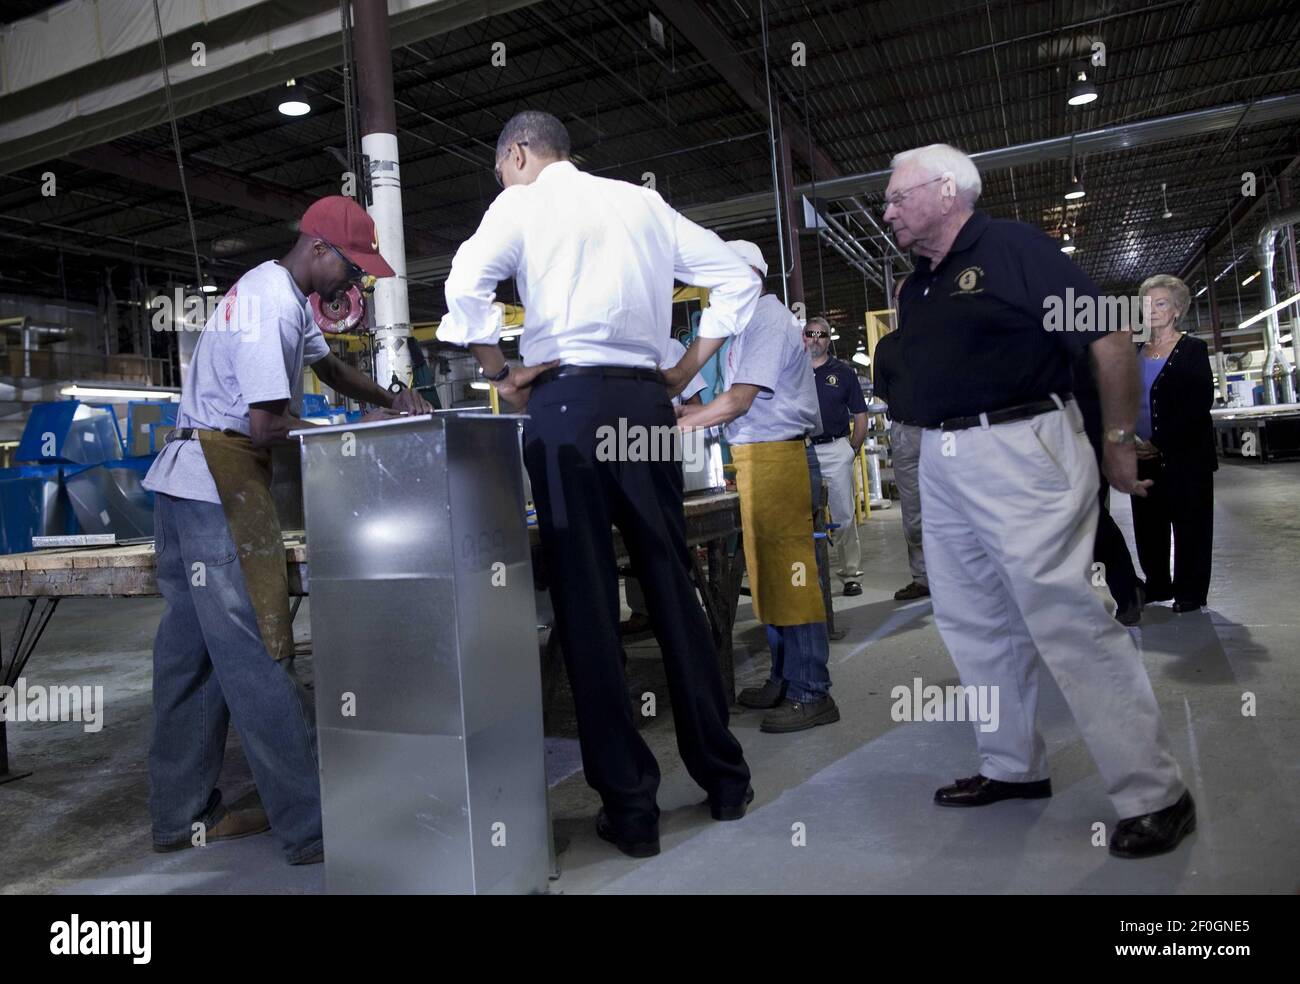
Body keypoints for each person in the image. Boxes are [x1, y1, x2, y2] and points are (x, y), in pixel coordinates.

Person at [438, 111, 758, 858]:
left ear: (516, 152)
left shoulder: (521, 202)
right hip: (645, 404)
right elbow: (736, 277)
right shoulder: (642, 202)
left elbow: (464, 285)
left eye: (499, 168)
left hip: (568, 403)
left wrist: (498, 373)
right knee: (671, 583)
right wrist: (684, 368)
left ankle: (633, 810)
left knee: (586, 601)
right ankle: (726, 780)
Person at [883, 143, 1194, 858]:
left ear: (948, 191)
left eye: (899, 197)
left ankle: (1157, 793)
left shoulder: (1013, 247)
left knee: (1066, 618)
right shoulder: (919, 282)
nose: (888, 211)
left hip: (1023, 446)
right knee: (971, 620)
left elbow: (1111, 336)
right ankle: (1013, 766)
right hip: (943, 454)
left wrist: (1117, 437)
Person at [141, 196, 431, 864]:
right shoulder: (270, 304)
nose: (353, 284)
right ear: (319, 249)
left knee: (191, 659)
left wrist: (390, 397)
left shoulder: (285, 297)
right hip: (219, 488)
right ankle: (314, 825)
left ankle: (182, 815)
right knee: (260, 651)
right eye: (351, 268)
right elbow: (263, 427)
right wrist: (355, 434)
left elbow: (328, 370)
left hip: (184, 487)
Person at [677, 241, 839, 734]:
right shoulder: (741, 328)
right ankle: (785, 678)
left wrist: (682, 423)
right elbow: (725, 401)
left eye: (722, 280)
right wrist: (685, 410)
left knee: (791, 576)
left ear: (750, 276)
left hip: (781, 456)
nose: (713, 292)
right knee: (769, 577)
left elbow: (740, 401)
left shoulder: (768, 321)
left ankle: (813, 691)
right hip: (756, 458)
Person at [1131, 274, 1217, 613]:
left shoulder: (1192, 349)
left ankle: (1190, 592)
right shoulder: (1134, 351)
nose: (1152, 310)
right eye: (1147, 303)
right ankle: (1157, 585)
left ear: (1177, 310)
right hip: (1140, 456)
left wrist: (1160, 441)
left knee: (1191, 524)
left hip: (1185, 456)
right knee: (1148, 526)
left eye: (1161, 303)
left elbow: (1200, 401)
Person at [622, 333, 708, 635]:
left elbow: (696, 402)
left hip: (670, 447)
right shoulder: (619, 346)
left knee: (669, 531)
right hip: (627, 446)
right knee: (632, 528)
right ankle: (642, 609)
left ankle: (681, 608)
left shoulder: (672, 347)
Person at [1073, 351, 1146, 625]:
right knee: (1087, 516)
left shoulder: (1078, 331)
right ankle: (1127, 589)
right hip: (1071, 427)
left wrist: (1119, 439)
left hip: (1084, 429)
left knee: (1088, 513)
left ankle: (1126, 590)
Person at [872, 277, 929, 601]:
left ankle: (961, 577)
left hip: (942, 431)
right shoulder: (887, 346)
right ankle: (923, 578)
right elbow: (885, 393)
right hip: (906, 433)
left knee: (955, 506)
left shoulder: (940, 339)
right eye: (898, 296)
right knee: (914, 514)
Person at [804, 316, 869, 597]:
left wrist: (851, 450)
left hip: (835, 449)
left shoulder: (843, 373)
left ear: (829, 339)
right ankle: (806, 578)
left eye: (822, 334)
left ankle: (851, 575)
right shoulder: (792, 370)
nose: (816, 338)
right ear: (803, 337)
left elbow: (861, 416)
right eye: (811, 333)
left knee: (843, 516)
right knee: (802, 518)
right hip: (802, 450)